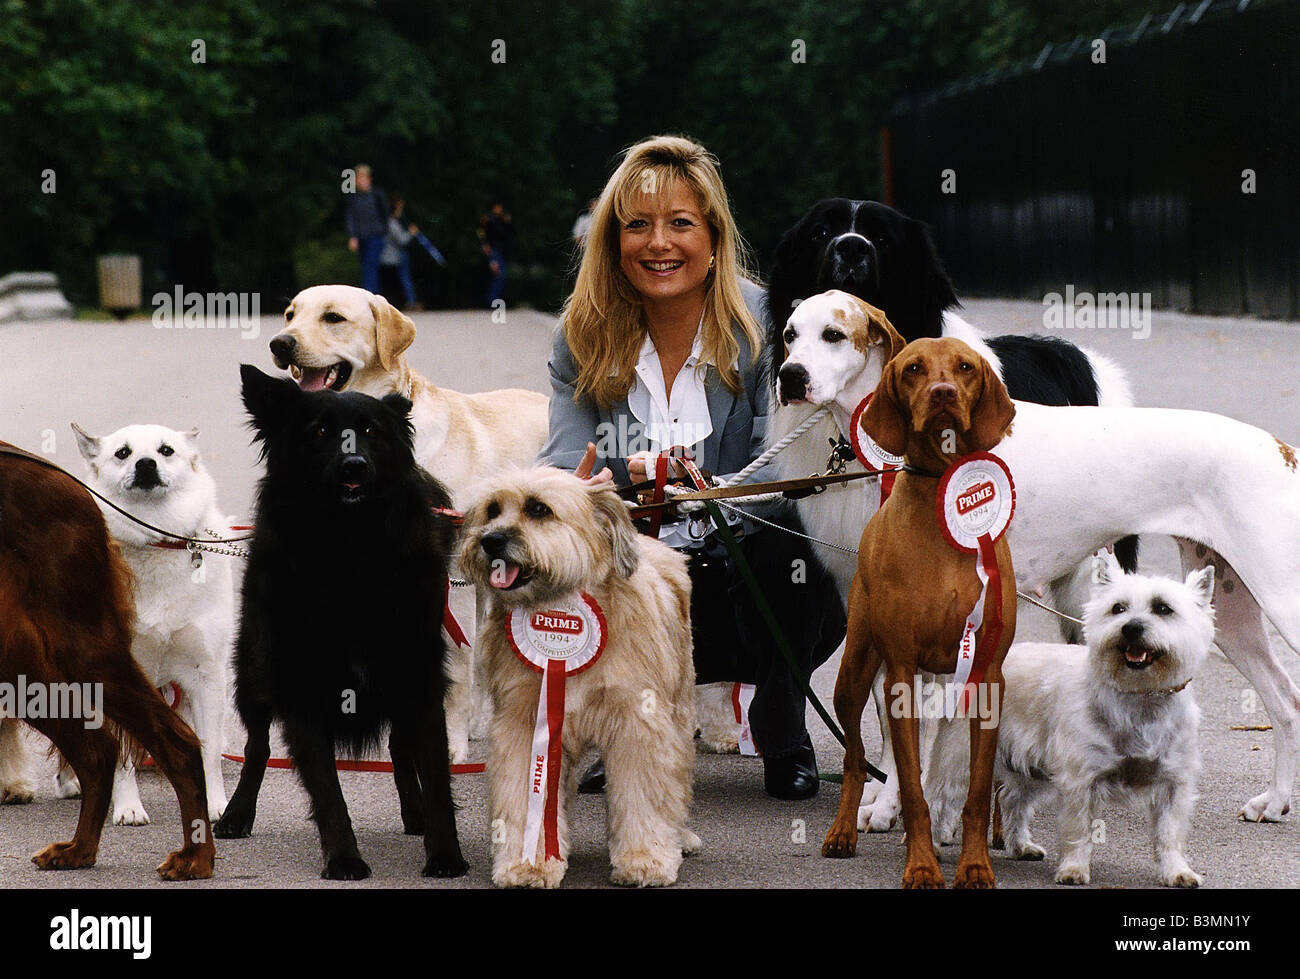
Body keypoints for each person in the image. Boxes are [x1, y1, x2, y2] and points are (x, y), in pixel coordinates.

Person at [539, 134, 846, 800]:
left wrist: (711, 493)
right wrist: (617, 481)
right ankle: (603, 724)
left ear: (713, 236)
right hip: (638, 578)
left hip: (747, 585)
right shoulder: (581, 330)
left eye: (681, 223)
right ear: (612, 239)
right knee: (557, 534)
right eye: (638, 225)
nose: (659, 243)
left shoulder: (772, 323)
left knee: (799, 543)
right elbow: (563, 461)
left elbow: (796, 464)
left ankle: (781, 715)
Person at [344, 164, 389, 294]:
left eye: (363, 178)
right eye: (359, 178)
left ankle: (370, 295)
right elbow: (351, 217)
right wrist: (353, 236)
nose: (361, 181)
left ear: (369, 179)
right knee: (366, 267)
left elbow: (385, 214)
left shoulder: (377, 195)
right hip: (361, 236)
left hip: (375, 236)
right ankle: (371, 294)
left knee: (371, 267)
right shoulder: (353, 197)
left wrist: (382, 230)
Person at [380, 194, 422, 310]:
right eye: (400, 208)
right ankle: (411, 301)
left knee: (401, 279)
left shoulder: (391, 222)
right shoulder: (391, 223)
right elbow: (402, 240)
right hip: (396, 256)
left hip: (395, 256)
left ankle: (409, 301)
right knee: (404, 279)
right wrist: (412, 233)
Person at [478, 200, 514, 308]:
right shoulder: (488, 219)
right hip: (493, 250)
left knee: (500, 276)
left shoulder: (503, 219)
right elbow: (481, 233)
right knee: (498, 274)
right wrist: (484, 244)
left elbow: (508, 235)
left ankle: (493, 300)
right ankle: (491, 300)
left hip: (501, 251)